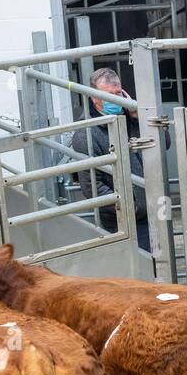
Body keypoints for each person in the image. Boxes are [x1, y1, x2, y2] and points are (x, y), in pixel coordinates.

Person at [71, 67, 151, 251]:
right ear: (95, 98)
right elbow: (91, 186)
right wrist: (130, 204)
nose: (116, 99)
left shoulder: (131, 118)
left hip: (151, 212)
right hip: (118, 222)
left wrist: (139, 117)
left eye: (118, 93)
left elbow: (164, 144)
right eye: (109, 95)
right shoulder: (87, 134)